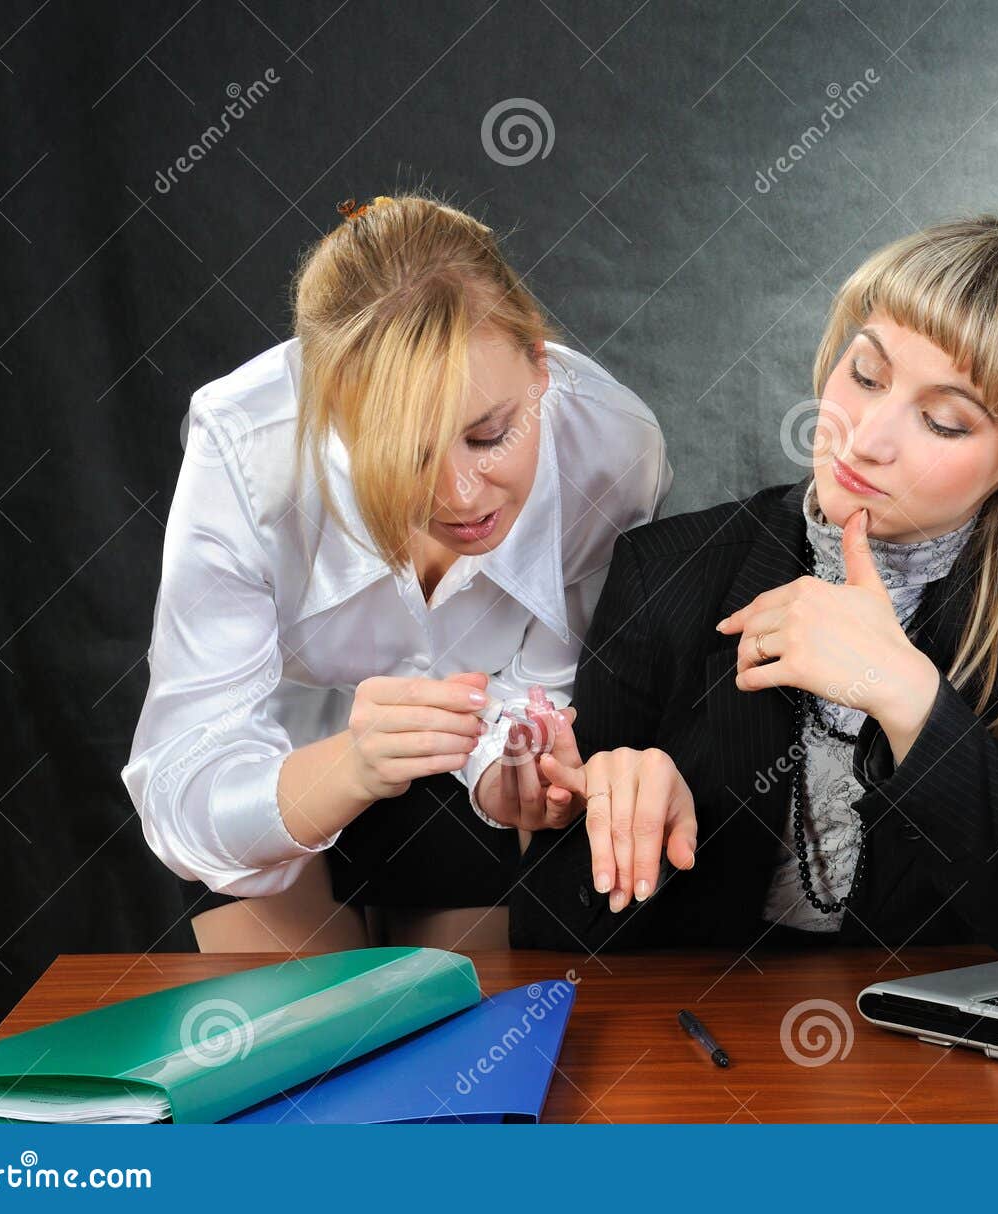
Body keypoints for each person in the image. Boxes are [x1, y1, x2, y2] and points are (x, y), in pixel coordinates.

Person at [514, 215, 998, 955]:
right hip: (715, 1051)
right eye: (866, 374)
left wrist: (907, 696)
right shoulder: (662, 569)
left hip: (943, 1057)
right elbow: (545, 932)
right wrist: (629, 812)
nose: (867, 437)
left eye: (944, 421)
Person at [121, 192, 672, 951]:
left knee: (464, 1045)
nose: (461, 496)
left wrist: (511, 770)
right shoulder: (248, 453)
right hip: (280, 779)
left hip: (459, 795)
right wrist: (353, 762)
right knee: (302, 1051)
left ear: (540, 365)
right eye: (406, 456)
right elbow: (184, 791)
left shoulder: (612, 451)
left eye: (489, 435)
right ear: (334, 414)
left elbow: (541, 690)